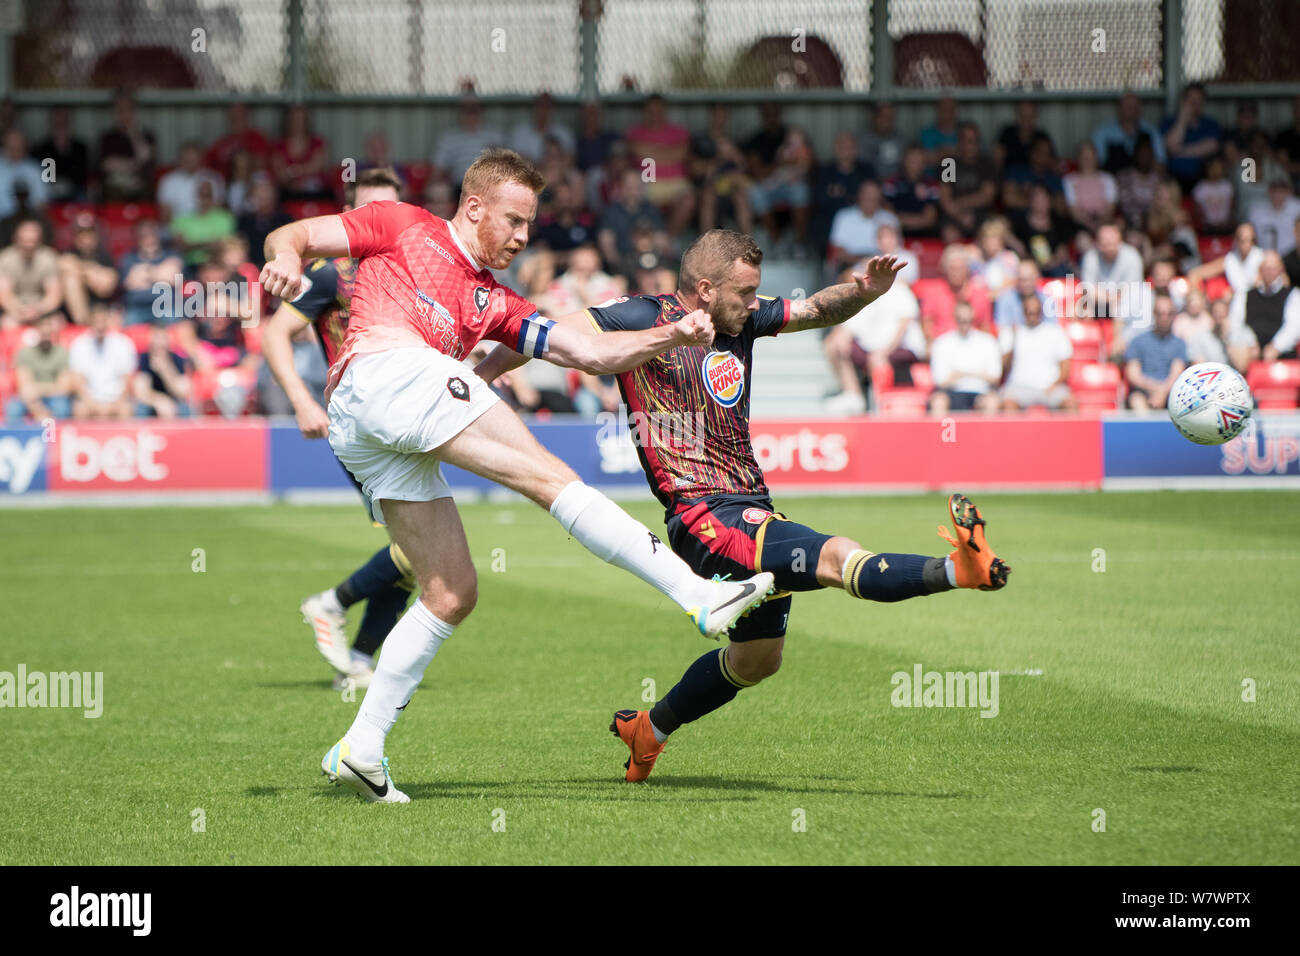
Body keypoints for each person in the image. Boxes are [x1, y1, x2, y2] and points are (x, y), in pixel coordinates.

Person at [259, 148, 773, 802]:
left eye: (530, 224)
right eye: (514, 220)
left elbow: (586, 350)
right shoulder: (402, 221)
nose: (524, 237)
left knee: (451, 592)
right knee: (548, 475)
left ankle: (362, 747)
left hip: (361, 424)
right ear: (474, 208)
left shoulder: (498, 301)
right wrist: (281, 259)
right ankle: (697, 594)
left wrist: (668, 338)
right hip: (385, 373)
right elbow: (296, 236)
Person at [479, 230, 1008, 781]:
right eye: (745, 292)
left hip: (750, 502)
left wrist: (865, 292)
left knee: (758, 659)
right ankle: (956, 569)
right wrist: (484, 375)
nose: (756, 302)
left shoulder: (743, 320)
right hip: (703, 517)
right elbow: (548, 334)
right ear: (705, 290)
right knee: (834, 557)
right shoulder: (638, 316)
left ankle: (649, 730)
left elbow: (813, 310)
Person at [260, 168, 416, 689]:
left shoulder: (416, 267)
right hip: (362, 423)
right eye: (368, 210)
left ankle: (362, 662)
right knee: (421, 547)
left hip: (411, 418)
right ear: (348, 217)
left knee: (415, 551)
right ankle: (332, 605)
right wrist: (303, 401)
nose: (379, 221)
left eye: (388, 210)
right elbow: (275, 332)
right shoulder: (331, 274)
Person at [998, 294, 1074, 411]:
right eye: (1028, 312)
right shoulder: (1011, 332)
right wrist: (1013, 341)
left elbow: (1065, 368)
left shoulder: (1055, 332)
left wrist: (1054, 385)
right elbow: (1004, 369)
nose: (1032, 315)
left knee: (1070, 404)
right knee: (1008, 406)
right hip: (1019, 388)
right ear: (1023, 312)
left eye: (1035, 312)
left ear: (1041, 312)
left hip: (1050, 388)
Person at [928, 301, 1003, 414]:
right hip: (951, 393)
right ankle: (939, 432)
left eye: (967, 320)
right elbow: (940, 380)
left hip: (981, 393)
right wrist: (978, 374)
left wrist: (958, 374)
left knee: (992, 402)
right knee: (938, 402)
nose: (964, 324)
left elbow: (995, 377)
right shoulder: (942, 343)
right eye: (961, 320)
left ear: (973, 319)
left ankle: (988, 432)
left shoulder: (988, 342)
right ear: (955, 318)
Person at [5, 311, 75, 423]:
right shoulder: (24, 353)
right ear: (36, 329)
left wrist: (37, 389)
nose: (45, 330)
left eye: (48, 325)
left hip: (53, 397)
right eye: (42, 325)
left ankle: (57, 439)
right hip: (32, 398)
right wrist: (39, 410)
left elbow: (63, 387)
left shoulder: (63, 352)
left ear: (53, 329)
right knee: (13, 408)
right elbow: (24, 387)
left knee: (62, 407)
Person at [69, 302, 136, 419]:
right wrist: (93, 405)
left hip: (117, 398)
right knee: (80, 409)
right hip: (90, 400)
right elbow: (78, 382)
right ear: (90, 322)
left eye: (103, 321)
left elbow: (127, 381)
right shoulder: (79, 345)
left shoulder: (123, 343)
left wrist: (115, 405)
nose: (100, 326)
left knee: (126, 409)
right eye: (96, 321)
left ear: (108, 321)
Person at [1124, 293, 1187, 410]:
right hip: (1144, 392)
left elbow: (1176, 374)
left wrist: (1162, 392)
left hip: (1171, 394)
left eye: (1169, 314)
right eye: (1161, 313)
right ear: (1154, 314)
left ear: (1174, 316)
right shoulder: (1137, 341)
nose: (1165, 318)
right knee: (1137, 401)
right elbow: (1133, 375)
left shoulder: (1179, 344)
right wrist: (1156, 389)